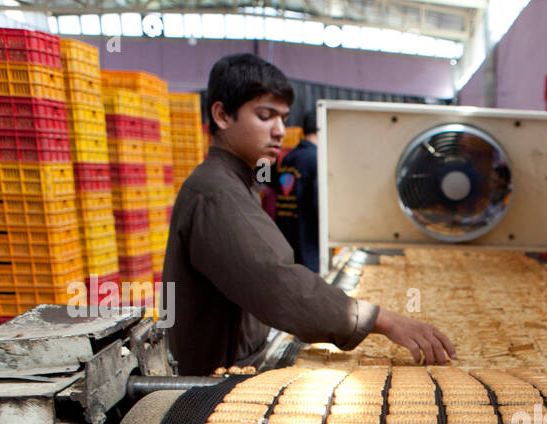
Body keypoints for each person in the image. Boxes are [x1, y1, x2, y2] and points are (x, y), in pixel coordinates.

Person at [163, 53, 454, 375]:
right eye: (265, 116)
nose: (279, 131)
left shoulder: (238, 180)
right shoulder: (216, 192)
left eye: (283, 119)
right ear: (221, 115)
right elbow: (276, 282)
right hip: (212, 381)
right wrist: (382, 319)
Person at [275, 109, 320, 272]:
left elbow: (265, 183)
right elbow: (319, 206)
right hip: (309, 248)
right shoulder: (317, 159)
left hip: (287, 244)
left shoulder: (288, 157)